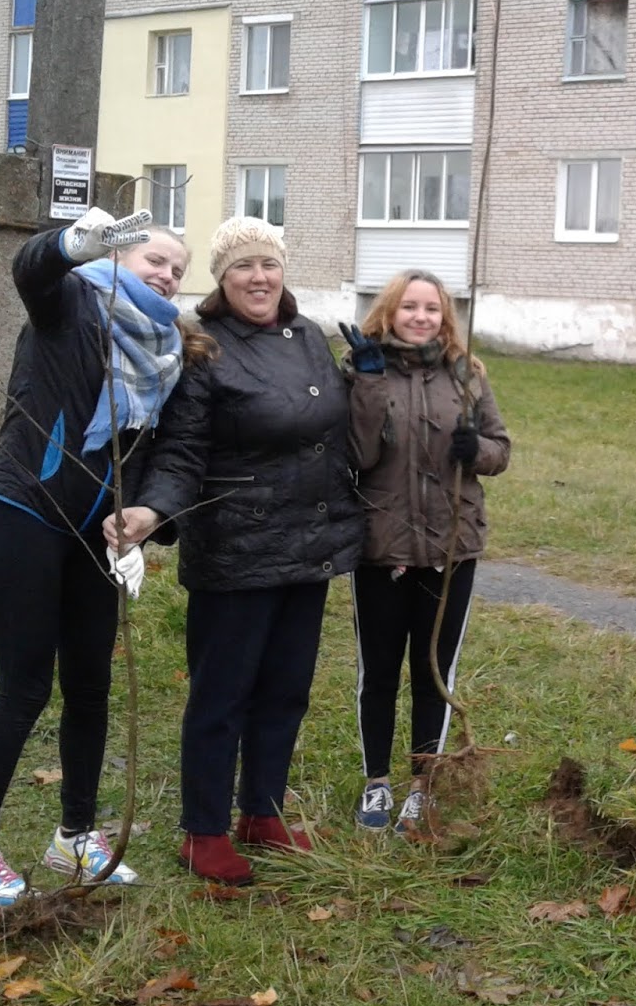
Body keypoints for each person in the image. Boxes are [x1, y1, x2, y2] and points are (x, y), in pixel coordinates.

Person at [0, 210, 191, 907]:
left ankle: (75, 834)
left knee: (89, 686)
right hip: (26, 512)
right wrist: (68, 245)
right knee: (24, 689)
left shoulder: (167, 348)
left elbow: (155, 449)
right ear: (119, 257)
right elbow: (31, 271)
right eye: (155, 260)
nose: (167, 275)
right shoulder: (74, 300)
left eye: (178, 269)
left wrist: (144, 516)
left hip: (96, 535)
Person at [108, 217, 362, 886]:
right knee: (222, 697)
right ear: (222, 279)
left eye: (268, 264)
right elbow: (182, 447)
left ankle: (262, 813)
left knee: (286, 689)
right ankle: (204, 831)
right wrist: (153, 509)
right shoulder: (204, 346)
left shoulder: (309, 336)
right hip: (236, 547)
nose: (259, 277)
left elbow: (337, 430)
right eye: (243, 266)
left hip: (308, 542)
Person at [339, 271, 511, 834]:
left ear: (445, 316)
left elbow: (500, 451)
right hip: (381, 548)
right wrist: (368, 384)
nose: (420, 317)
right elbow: (357, 456)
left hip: (450, 546)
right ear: (389, 311)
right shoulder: (362, 370)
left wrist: (475, 448)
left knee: (432, 671)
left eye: (431, 309)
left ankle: (422, 785)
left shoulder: (466, 374)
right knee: (379, 671)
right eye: (409, 307)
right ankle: (377, 782)